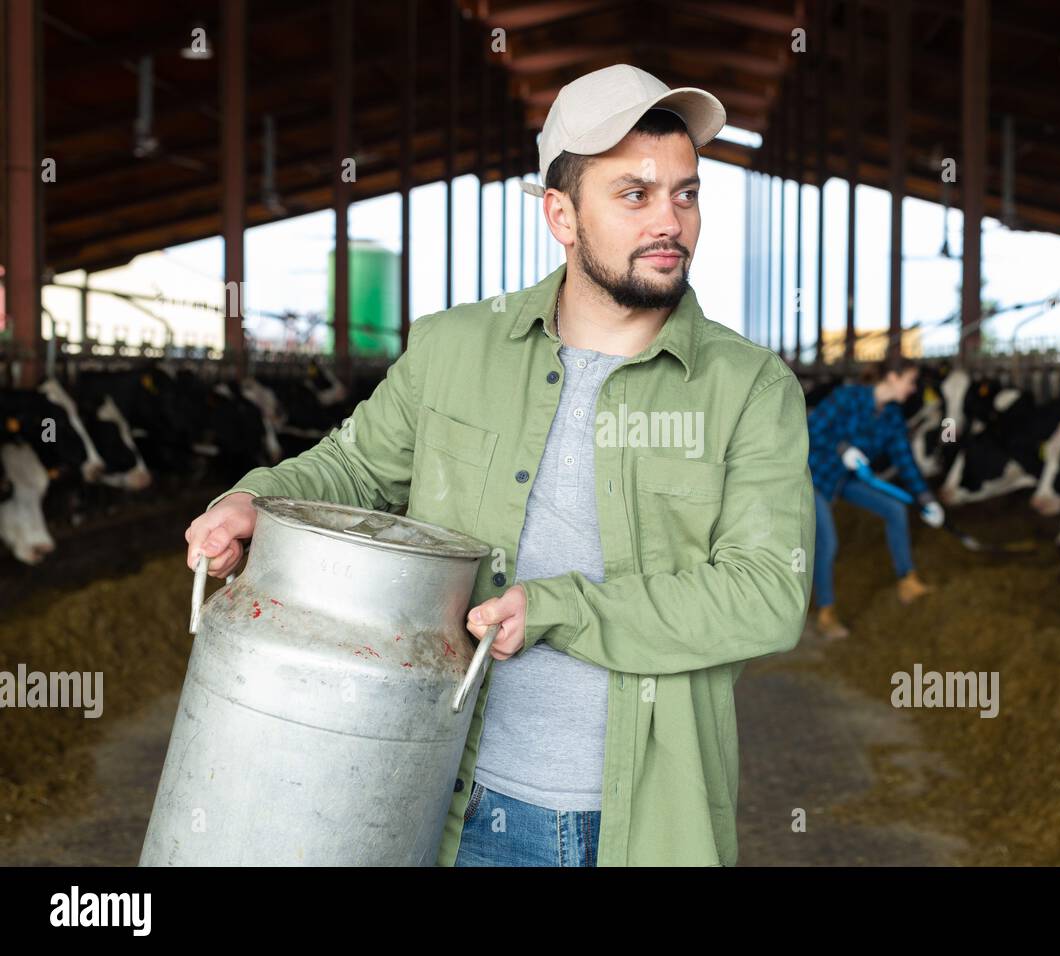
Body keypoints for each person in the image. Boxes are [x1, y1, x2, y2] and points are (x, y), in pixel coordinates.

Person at [183, 64, 814, 867]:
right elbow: (352, 470)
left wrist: (559, 609)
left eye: (686, 194)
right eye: (634, 195)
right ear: (561, 214)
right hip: (448, 800)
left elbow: (765, 595)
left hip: (645, 823)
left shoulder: (751, 388)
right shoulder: (453, 348)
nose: (671, 222)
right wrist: (253, 501)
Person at [805, 356, 944, 638]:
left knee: (895, 509)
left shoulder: (892, 417)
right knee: (827, 542)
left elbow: (904, 460)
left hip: (843, 479)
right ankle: (825, 612)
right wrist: (842, 448)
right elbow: (808, 429)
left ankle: (908, 581)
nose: (913, 389)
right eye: (911, 381)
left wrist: (927, 498)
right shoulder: (847, 398)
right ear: (893, 377)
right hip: (809, 477)